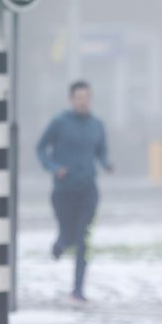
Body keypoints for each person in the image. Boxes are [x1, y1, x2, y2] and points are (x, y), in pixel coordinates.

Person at [36, 80, 112, 302]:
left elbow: (101, 152)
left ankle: (78, 290)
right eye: (79, 98)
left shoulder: (97, 125)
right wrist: (53, 168)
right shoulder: (59, 123)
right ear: (71, 100)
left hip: (88, 190)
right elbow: (40, 148)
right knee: (68, 236)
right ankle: (60, 244)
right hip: (63, 191)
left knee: (83, 238)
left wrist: (107, 164)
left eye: (86, 97)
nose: (83, 102)